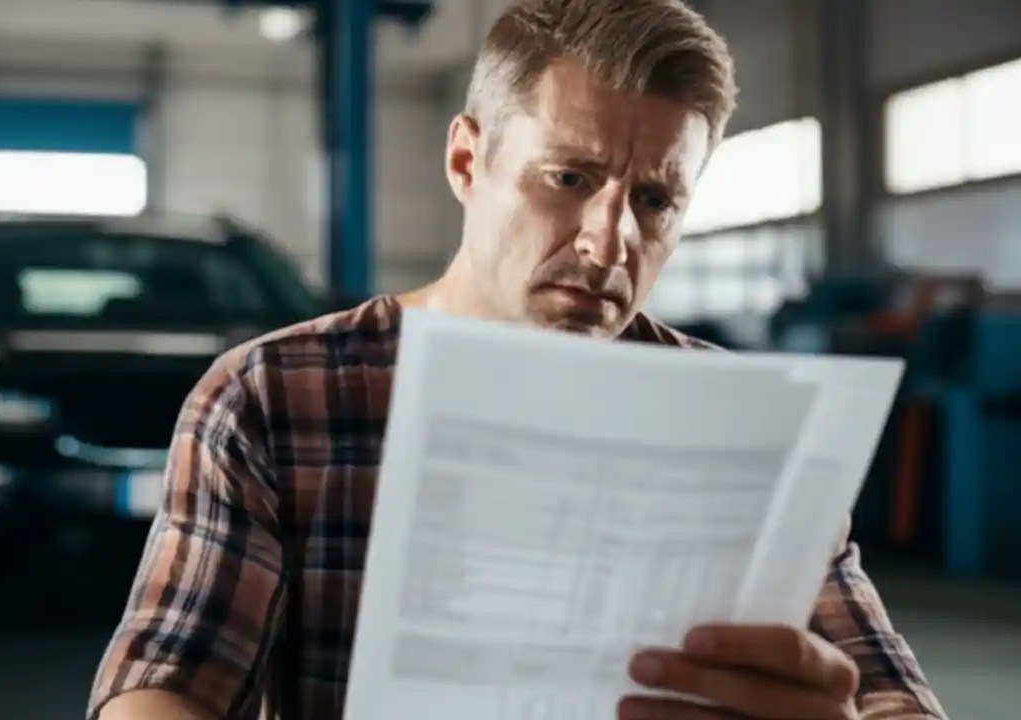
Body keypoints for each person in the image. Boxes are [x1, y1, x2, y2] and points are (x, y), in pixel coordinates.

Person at [90, 1, 945, 718]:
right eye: (569, 178)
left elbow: (889, 694)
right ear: (468, 159)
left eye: (654, 199)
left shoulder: (746, 424)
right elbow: (170, 677)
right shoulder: (276, 398)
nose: (610, 240)